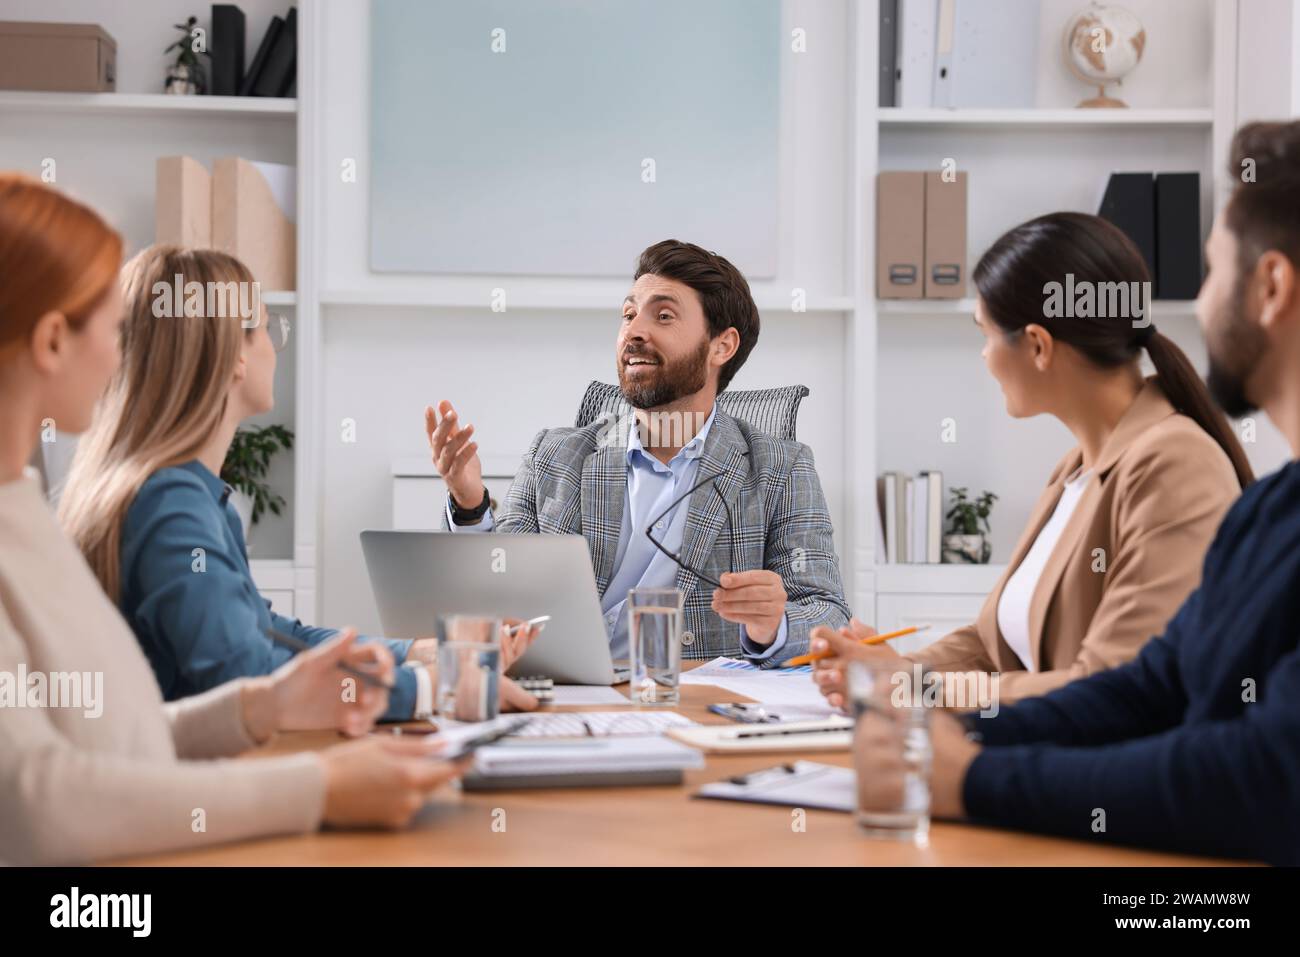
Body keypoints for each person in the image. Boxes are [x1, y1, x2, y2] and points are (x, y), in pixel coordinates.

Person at [840, 119, 1300, 865]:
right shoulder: (1269, 512)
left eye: (1213, 269)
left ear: (1272, 286)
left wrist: (972, 768)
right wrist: (907, 697)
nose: (1198, 299)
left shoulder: (1177, 463)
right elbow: (1142, 688)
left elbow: (1256, 773)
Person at [0, 173, 467, 865]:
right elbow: (43, 797)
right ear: (51, 341)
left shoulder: (30, 508)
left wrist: (318, 689)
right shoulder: (165, 502)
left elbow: (127, 729)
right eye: (107, 322)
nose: (119, 351)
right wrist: (322, 780)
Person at [58, 244, 541, 721]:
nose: (275, 346)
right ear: (234, 358)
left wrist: (422, 653)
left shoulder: (185, 495)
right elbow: (248, 676)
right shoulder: (172, 504)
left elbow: (269, 634)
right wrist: (440, 687)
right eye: (268, 329)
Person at [815, 212, 1251, 708]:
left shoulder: (1174, 464)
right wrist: (898, 669)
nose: (983, 357)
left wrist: (912, 688)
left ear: (1039, 346)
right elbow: (989, 644)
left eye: (985, 334)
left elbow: (1114, 686)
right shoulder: (1075, 470)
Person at [427, 239, 849, 666]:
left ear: (721, 346)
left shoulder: (780, 468)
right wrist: (468, 503)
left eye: (663, 316)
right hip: (570, 697)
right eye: (628, 315)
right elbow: (498, 594)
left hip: (691, 706)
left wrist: (773, 624)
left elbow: (829, 616)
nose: (633, 331)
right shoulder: (555, 456)